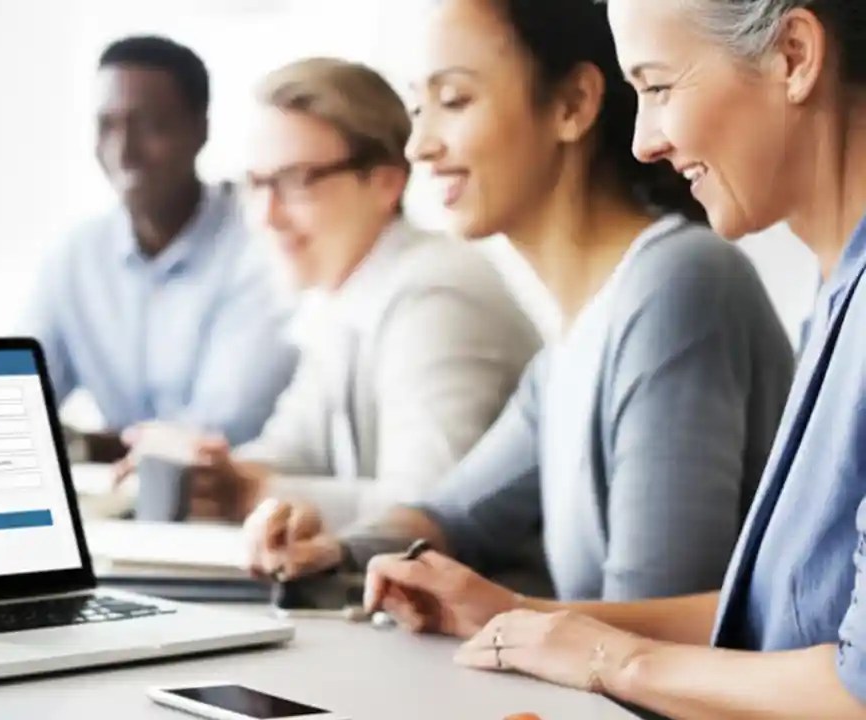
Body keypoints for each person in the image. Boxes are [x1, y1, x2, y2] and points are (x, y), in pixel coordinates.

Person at [360, 0, 866, 717]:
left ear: (793, 55)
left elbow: (857, 687)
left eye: (657, 88)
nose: (643, 141)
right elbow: (779, 618)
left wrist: (610, 657)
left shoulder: (689, 282)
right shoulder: (837, 295)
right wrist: (515, 616)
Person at [248, 0, 795, 605]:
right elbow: (454, 514)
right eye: (417, 109)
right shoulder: (574, 333)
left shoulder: (679, 284)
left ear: (572, 105)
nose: (419, 147)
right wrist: (334, 552)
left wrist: (499, 618)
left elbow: (653, 613)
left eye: (454, 101)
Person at [143, 57, 542, 526]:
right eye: (256, 184)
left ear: (386, 182)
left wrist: (252, 494)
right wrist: (212, 475)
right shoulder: (342, 296)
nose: (265, 215)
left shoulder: (436, 298)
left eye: (295, 181)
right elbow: (296, 445)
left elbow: (429, 511)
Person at [22, 36, 297, 462]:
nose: (124, 150)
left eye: (148, 125)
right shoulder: (74, 257)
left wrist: (81, 444)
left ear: (199, 130)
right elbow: (20, 408)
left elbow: (217, 434)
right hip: (125, 508)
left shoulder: (262, 244)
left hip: (225, 513)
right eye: (107, 125)